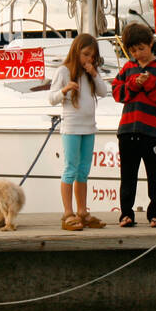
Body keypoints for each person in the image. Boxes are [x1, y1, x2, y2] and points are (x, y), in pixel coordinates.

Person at [112, 22, 156, 227]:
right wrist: (134, 84)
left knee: (154, 176)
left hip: (152, 131)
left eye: (141, 48)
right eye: (133, 50)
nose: (138, 54)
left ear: (151, 44)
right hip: (127, 130)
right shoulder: (128, 68)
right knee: (128, 177)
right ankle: (126, 214)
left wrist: (148, 83)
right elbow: (117, 92)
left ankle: (155, 214)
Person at [49, 33, 110, 231]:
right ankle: (68, 212)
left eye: (92, 56)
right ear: (76, 52)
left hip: (89, 127)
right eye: (85, 54)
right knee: (70, 169)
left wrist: (94, 73)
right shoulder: (64, 71)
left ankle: (82, 211)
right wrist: (65, 90)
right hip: (72, 128)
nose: (89, 59)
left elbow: (103, 91)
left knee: (83, 170)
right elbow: (51, 98)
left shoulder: (90, 73)